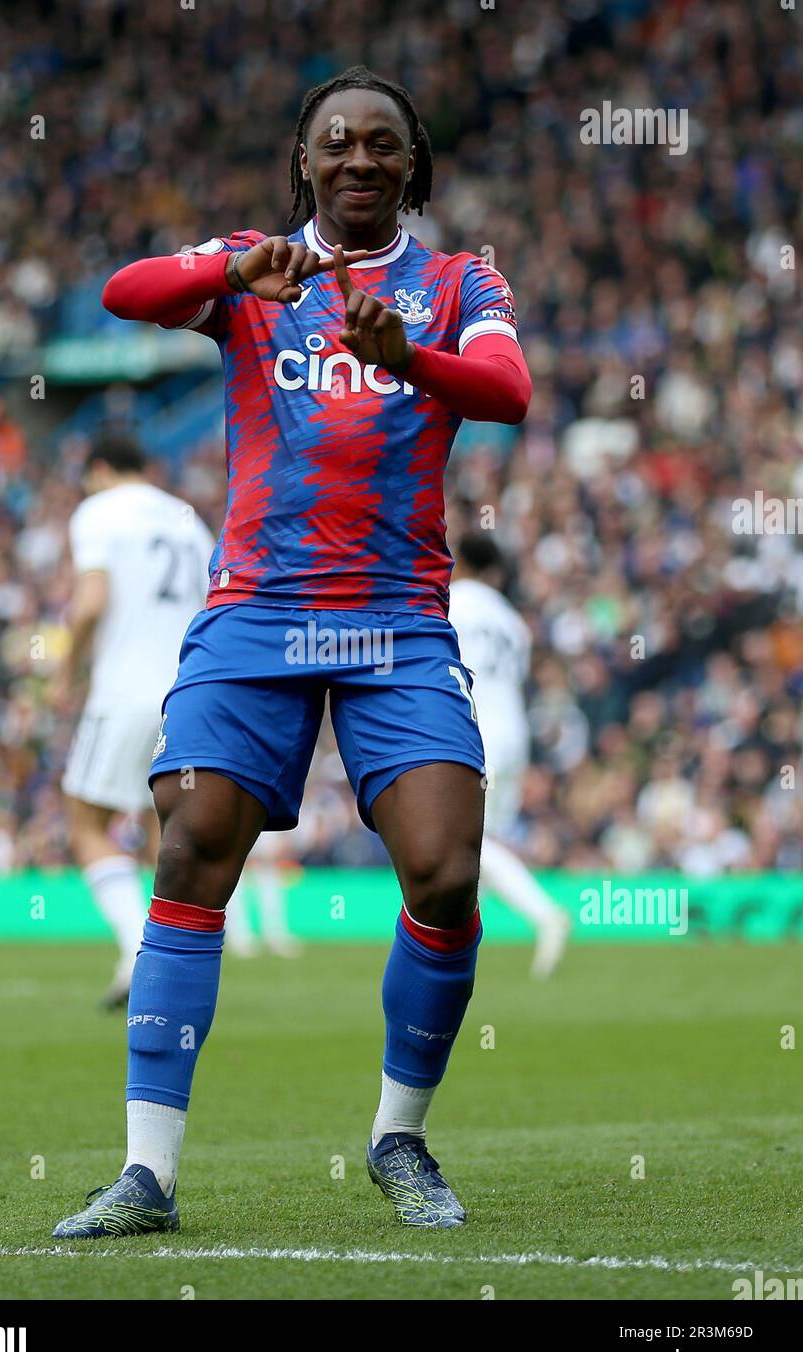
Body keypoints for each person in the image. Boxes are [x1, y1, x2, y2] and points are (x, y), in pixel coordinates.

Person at [53, 65, 532, 1239]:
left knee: (445, 872)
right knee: (192, 850)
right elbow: (125, 292)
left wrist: (407, 354)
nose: (359, 160)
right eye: (336, 144)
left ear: (411, 165)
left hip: (397, 617)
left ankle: (397, 1136)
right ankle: (147, 1174)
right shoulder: (257, 268)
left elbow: (509, 392)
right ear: (304, 162)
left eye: (382, 145)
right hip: (257, 608)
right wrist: (230, 268)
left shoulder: (458, 280)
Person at [59, 433, 215, 1006]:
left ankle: (135, 950)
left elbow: (90, 602)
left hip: (123, 690)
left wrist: (62, 669)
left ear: (99, 469)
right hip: (189, 692)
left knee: (85, 820)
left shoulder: (99, 510)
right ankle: (171, 966)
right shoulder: (189, 522)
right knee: (164, 831)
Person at [448, 533, 571, 979]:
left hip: (475, 729)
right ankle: (461, 936)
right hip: (513, 732)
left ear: (459, 561)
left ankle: (544, 915)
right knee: (479, 843)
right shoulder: (514, 621)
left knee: (465, 843)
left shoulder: (452, 600)